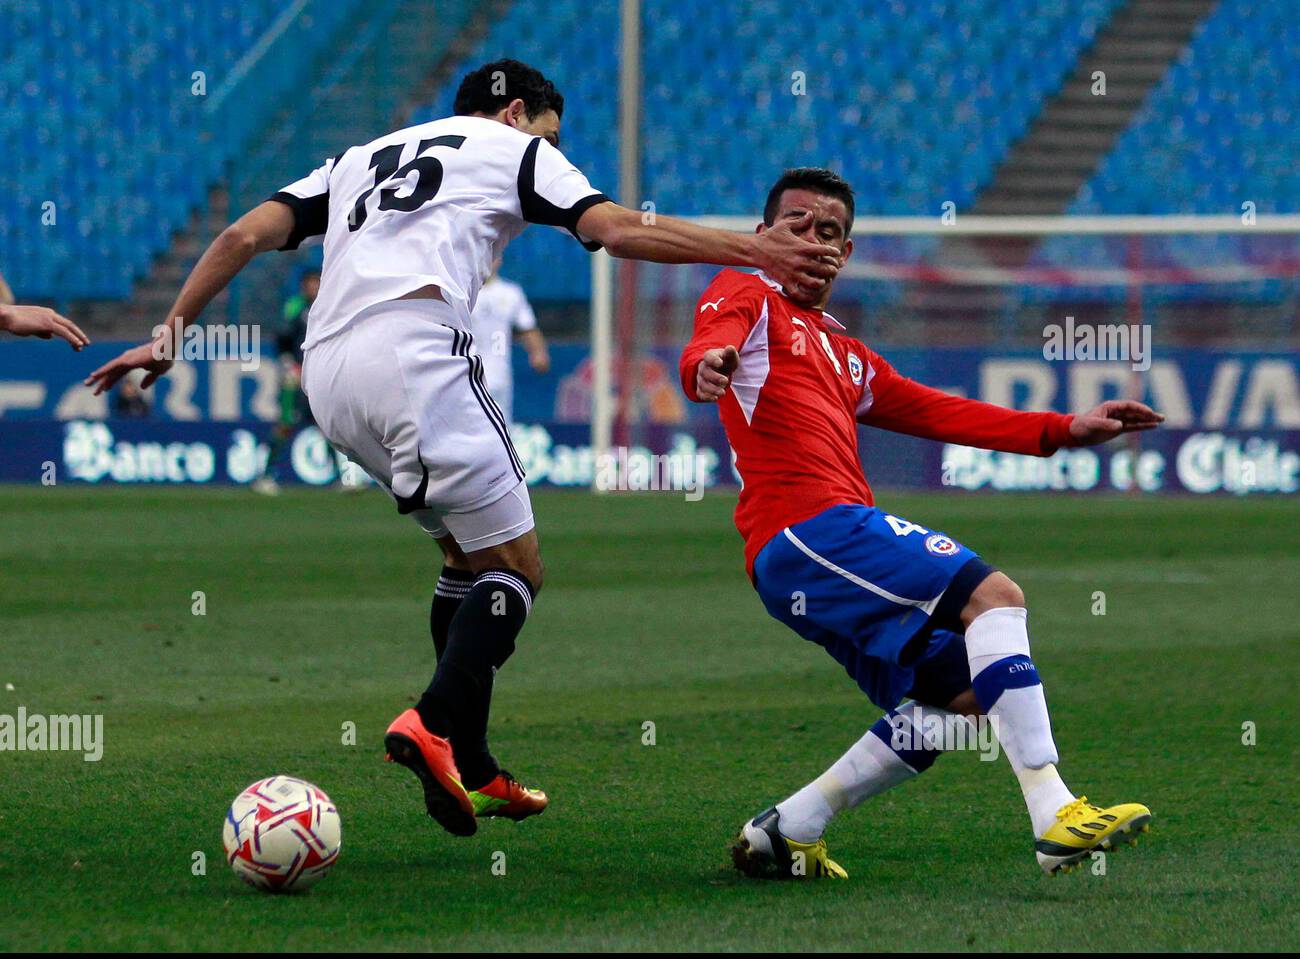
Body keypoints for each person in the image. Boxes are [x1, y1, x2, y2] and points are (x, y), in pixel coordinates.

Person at [84, 60, 837, 840]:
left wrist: (168, 337)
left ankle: (473, 765)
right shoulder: (514, 149)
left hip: (331, 378)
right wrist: (757, 253)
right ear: (515, 111)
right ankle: (433, 721)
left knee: (465, 560)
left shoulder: (355, 161)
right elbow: (613, 229)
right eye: (551, 133)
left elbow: (242, 235)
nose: (555, 148)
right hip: (416, 356)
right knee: (518, 570)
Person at [678, 168, 1164, 878]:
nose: (814, 240)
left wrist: (1063, 428)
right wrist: (705, 364)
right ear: (763, 234)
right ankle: (1055, 812)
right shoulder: (748, 293)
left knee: (964, 696)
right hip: (809, 530)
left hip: (811, 558)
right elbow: (711, 339)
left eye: (830, 232)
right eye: (797, 225)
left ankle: (790, 827)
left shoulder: (845, 353)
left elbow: (938, 411)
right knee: (995, 597)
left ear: (845, 253)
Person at [253, 270, 326, 494]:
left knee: (327, 425)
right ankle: (265, 476)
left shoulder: (328, 305)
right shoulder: (295, 306)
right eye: (310, 283)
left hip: (320, 375)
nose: (313, 287)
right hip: (295, 375)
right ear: (304, 286)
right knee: (285, 423)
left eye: (316, 283)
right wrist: (288, 363)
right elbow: (282, 336)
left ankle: (347, 478)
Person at [469, 258, 548, 424]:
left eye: (493, 256)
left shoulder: (511, 293)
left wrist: (538, 353)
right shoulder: (463, 291)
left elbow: (528, 327)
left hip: (499, 374)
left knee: (500, 424)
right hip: (467, 373)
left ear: (500, 260)